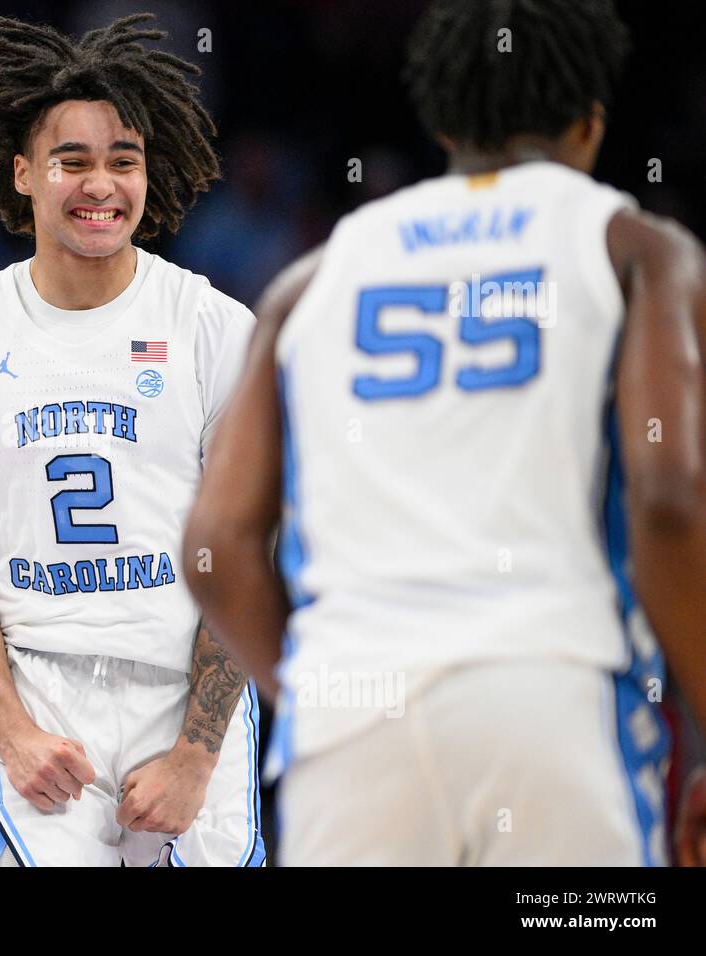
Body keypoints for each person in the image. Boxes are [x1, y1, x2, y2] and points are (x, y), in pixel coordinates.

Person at [184, 0, 706, 865]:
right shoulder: (639, 248)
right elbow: (667, 495)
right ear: (591, 122)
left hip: (348, 730)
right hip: (551, 695)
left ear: (439, 120)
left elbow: (214, 545)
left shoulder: (310, 281)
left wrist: (321, 690)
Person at [0, 13, 263, 866]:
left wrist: (198, 754)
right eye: (74, 161)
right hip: (43, 692)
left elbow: (248, 551)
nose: (103, 185)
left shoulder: (214, 330)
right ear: (24, 173)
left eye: (123, 161)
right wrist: (13, 733)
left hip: (188, 689)